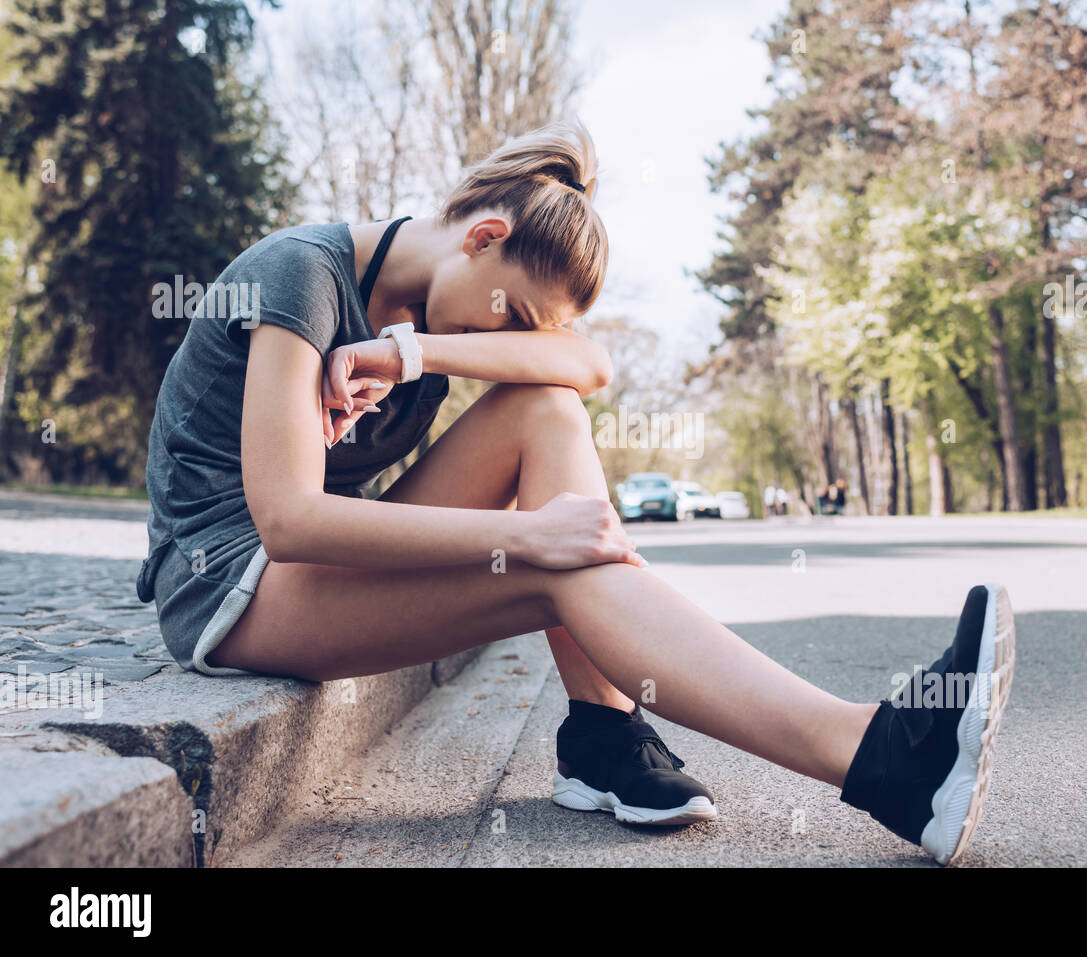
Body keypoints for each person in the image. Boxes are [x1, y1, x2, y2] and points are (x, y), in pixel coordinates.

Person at [133, 119, 1016, 863]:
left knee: (548, 410)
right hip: (229, 588)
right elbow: (288, 521)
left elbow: (583, 365)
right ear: (482, 237)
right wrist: (527, 539)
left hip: (307, 564)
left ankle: (604, 734)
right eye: (509, 313)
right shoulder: (300, 274)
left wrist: (418, 352)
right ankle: (875, 756)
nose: (504, 338)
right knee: (560, 559)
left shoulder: (420, 327)